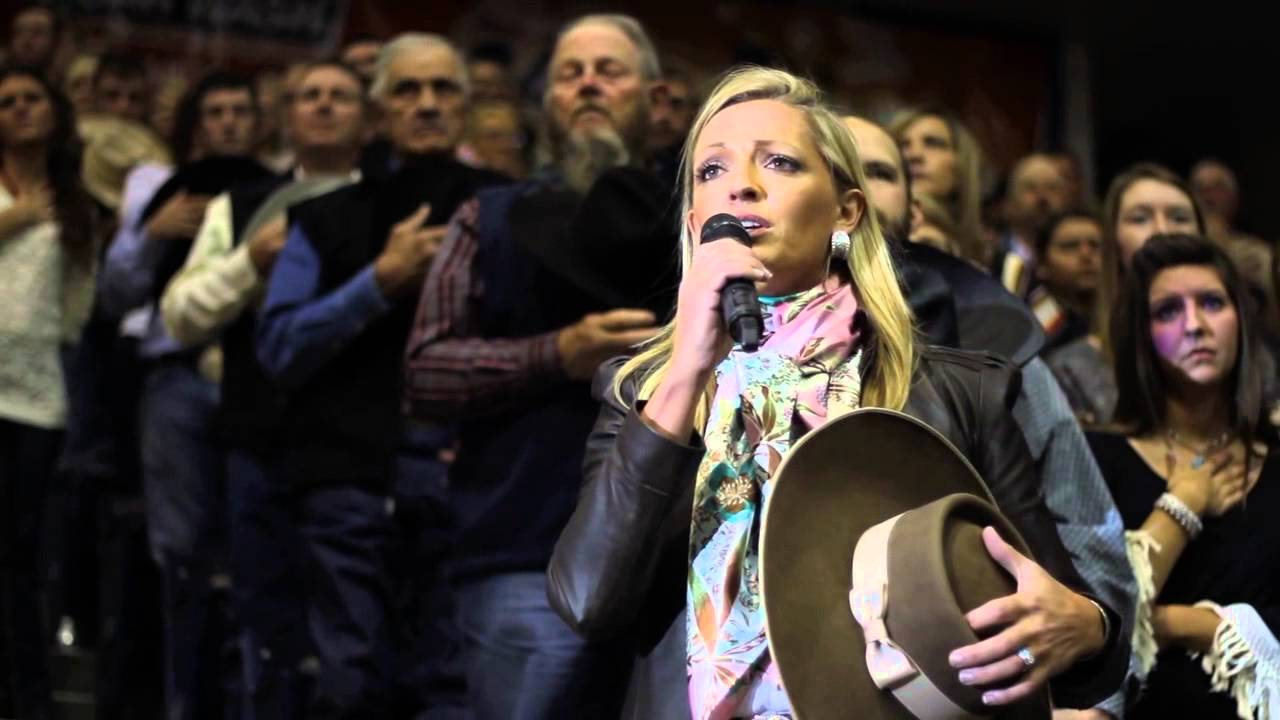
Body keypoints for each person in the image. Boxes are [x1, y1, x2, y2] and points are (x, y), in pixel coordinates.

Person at [548, 66, 1127, 719]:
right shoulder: (644, 391)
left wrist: (1089, 626)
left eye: (779, 162)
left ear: (846, 210)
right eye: (712, 170)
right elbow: (588, 603)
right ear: (694, 222)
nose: (742, 184)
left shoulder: (961, 390)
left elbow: (1069, 637)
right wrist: (686, 369)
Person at [403, 13, 674, 719]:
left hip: (680, 559)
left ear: (657, 99)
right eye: (569, 74)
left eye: (609, 71)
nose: (588, 85)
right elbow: (425, 370)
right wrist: (555, 354)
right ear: (546, 102)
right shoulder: (488, 218)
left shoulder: (704, 223)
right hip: (526, 551)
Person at [846, 113, 1136, 720]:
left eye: (879, 172)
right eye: (837, 168)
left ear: (914, 210)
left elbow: (1086, 535)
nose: (860, 189)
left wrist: (1095, 701)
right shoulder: (723, 358)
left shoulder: (1000, 348)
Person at [256, 33, 504, 718]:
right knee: (348, 681)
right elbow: (277, 346)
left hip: (473, 483)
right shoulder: (324, 218)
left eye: (443, 89)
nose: (426, 104)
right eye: (407, 90)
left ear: (466, 106)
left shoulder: (514, 209)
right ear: (378, 111)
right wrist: (378, 281)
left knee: (453, 690)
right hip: (347, 480)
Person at [160, 60, 367, 719]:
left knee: (352, 629)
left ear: (367, 116)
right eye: (310, 95)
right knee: (263, 618)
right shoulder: (242, 205)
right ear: (287, 116)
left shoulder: (393, 203)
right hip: (259, 438)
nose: (324, 106)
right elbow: (181, 315)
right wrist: (250, 261)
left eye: (340, 96)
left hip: (360, 448)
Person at [97, 68, 267, 720]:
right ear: (197, 126)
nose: (227, 123)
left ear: (258, 122)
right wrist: (151, 235)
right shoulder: (171, 191)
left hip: (256, 382)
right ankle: (179, 702)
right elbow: (116, 297)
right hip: (174, 379)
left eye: (239, 111)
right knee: (179, 553)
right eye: (215, 113)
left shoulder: (276, 191)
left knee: (252, 548)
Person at [1088, 233, 1279, 719]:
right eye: (1167, 311)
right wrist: (1183, 503)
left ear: (1241, 319)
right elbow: (1097, 614)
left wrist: (1180, 623)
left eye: (1212, 303)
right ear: (1140, 335)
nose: (1194, 325)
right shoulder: (1097, 457)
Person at [0, 66, 96, 720]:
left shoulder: (74, 204)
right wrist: (14, 220)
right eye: (7, 101)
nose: (20, 109)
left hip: (35, 396)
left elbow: (77, 307)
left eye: (32, 98)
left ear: (55, 112)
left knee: (20, 554)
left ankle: (27, 698)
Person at [1046, 163, 1204, 426]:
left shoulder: (1254, 359)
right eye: (1140, 219)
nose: (1162, 231)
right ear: (1113, 241)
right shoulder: (1071, 370)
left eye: (1179, 218)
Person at [889, 106, 987, 265]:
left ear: (961, 165)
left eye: (933, 143)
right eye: (902, 144)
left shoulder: (991, 258)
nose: (914, 155)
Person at [992, 153, 1071, 298]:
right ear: (1009, 202)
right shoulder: (991, 256)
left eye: (1052, 188)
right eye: (1030, 188)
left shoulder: (1074, 260)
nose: (1043, 197)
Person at [1031, 209, 1104, 353]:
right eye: (1070, 246)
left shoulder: (1126, 319)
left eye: (1095, 245)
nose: (1086, 254)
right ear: (1041, 264)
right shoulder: (1030, 328)